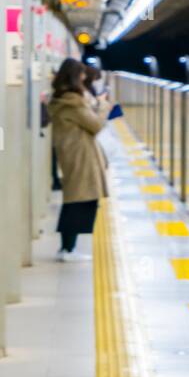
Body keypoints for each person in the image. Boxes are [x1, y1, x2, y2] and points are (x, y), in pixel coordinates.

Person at [48, 58, 110, 261]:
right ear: (75, 76)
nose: (84, 78)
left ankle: (67, 247)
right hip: (80, 155)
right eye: (82, 74)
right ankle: (67, 249)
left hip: (74, 152)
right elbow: (96, 125)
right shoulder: (72, 102)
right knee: (77, 199)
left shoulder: (65, 99)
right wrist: (102, 106)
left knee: (77, 197)